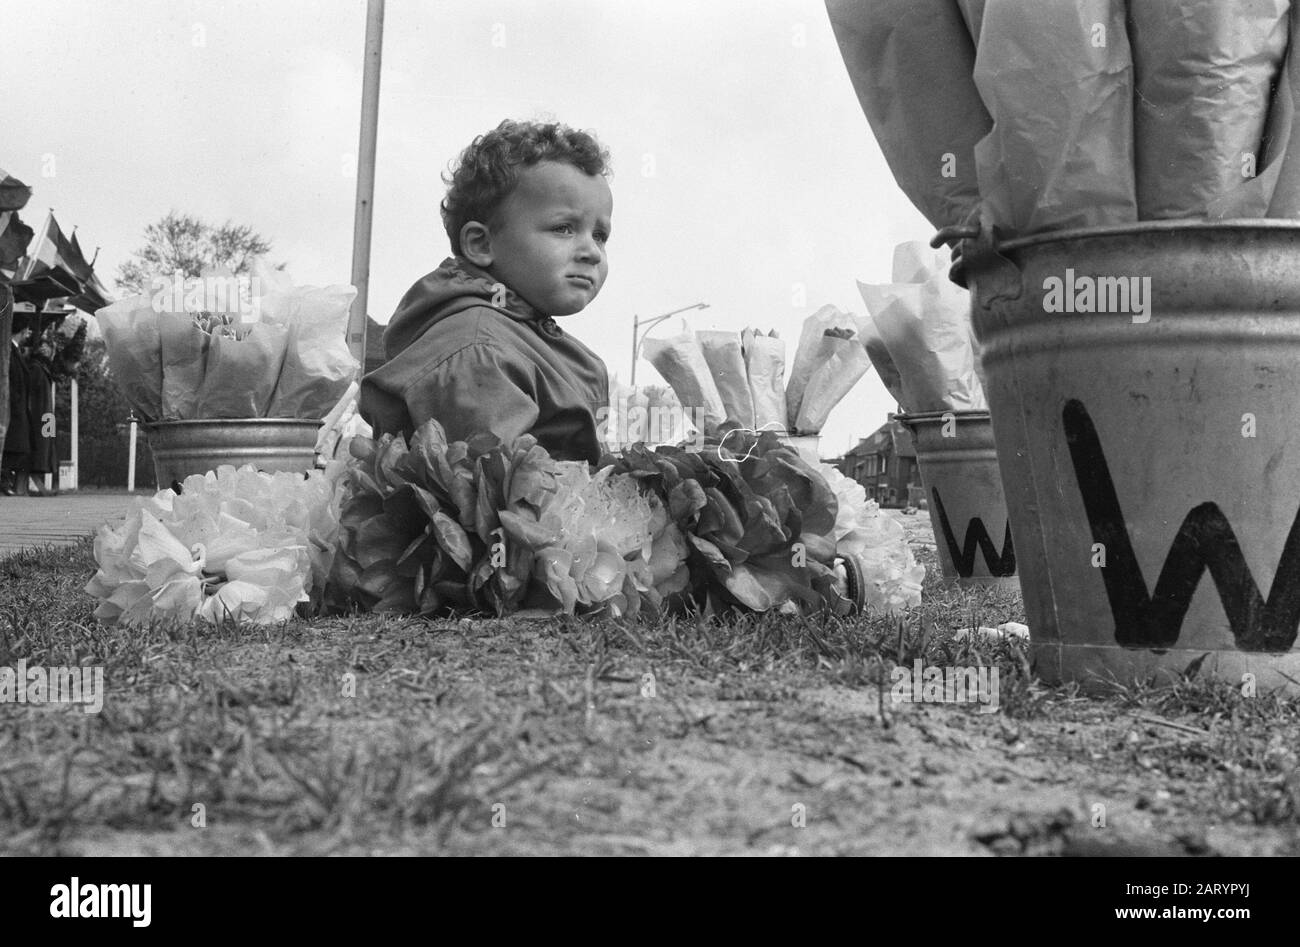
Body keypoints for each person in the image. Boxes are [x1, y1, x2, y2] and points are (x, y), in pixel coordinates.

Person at [361, 119, 612, 465]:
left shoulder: (523, 338)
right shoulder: (477, 351)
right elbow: (492, 497)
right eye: (563, 228)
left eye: (600, 235)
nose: (592, 252)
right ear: (481, 243)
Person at [25, 330, 57, 496]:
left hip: (47, 416)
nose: (45, 349)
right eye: (41, 346)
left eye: (47, 346)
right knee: (40, 448)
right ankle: (38, 484)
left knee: (47, 447)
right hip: (40, 416)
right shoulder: (36, 368)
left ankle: (42, 484)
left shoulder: (45, 367)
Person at [1, 322, 31, 496]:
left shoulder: (15, 350)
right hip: (13, 406)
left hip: (17, 406)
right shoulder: (10, 351)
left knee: (17, 446)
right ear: (23, 330)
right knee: (15, 446)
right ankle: (5, 478)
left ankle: (6, 478)